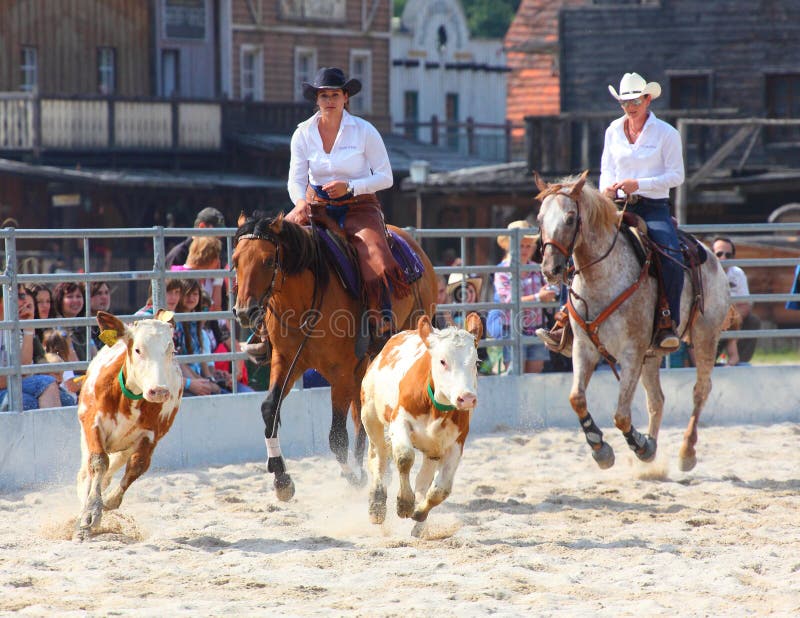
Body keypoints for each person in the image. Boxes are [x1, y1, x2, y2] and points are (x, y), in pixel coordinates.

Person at [285, 66, 408, 340]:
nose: (329, 100)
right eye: (324, 95)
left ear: (345, 98)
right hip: (316, 205)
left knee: (376, 253)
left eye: (334, 94)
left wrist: (350, 186)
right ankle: (267, 324)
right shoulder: (302, 133)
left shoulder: (364, 131)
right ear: (316, 100)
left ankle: (381, 319)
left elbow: (386, 177)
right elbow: (295, 179)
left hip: (359, 205)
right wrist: (299, 202)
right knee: (277, 243)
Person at [600, 71, 685, 350]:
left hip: (652, 207)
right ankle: (568, 319)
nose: (630, 107)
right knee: (580, 244)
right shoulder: (613, 131)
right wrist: (606, 190)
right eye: (624, 102)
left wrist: (640, 184)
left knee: (671, 257)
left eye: (635, 100)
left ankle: (667, 322)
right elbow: (606, 170)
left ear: (648, 99)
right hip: (616, 206)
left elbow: (676, 176)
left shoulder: (667, 134)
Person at [489, 221, 559, 374]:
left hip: (537, 327)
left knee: (534, 377)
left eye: (528, 246)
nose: (525, 250)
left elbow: (553, 286)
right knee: (514, 374)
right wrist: (539, 297)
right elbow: (509, 301)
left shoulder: (537, 267)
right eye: (521, 245)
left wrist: (550, 291)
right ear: (509, 245)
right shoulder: (502, 270)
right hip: (513, 328)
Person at [0, 288, 61, 411]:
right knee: (39, 391)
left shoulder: (13, 327)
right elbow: (22, 371)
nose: (25, 303)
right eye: (21, 296)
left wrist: (28, 328)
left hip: (14, 383)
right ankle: (51, 430)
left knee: (66, 397)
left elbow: (26, 366)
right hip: (8, 385)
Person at [713, 236, 758, 365]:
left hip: (732, 319)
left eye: (728, 255)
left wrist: (731, 320)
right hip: (710, 321)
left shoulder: (737, 273)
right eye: (719, 254)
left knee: (753, 321)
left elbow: (746, 305)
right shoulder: (705, 272)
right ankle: (708, 365)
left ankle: (738, 364)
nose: (723, 258)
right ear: (712, 255)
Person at [170, 236, 224, 312]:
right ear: (211, 259)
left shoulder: (208, 277)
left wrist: (218, 278)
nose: (218, 260)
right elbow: (213, 309)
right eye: (217, 256)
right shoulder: (180, 275)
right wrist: (219, 279)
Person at [52, 281, 97, 363]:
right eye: (70, 297)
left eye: (78, 296)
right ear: (59, 300)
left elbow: (96, 357)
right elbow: (74, 363)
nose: (75, 300)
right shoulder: (57, 328)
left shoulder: (84, 326)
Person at [89, 281, 112, 350]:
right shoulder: (80, 325)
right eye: (99, 293)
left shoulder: (111, 322)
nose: (104, 297)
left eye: (106, 293)